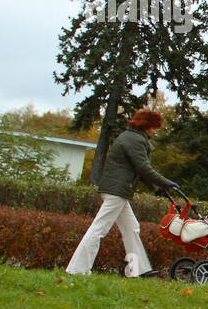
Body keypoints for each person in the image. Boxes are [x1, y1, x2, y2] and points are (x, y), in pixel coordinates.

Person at [66, 108, 178, 278]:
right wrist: (167, 183)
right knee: (99, 229)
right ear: (146, 125)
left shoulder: (131, 137)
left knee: (131, 227)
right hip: (117, 191)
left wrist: (157, 189)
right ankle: (78, 269)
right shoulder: (134, 140)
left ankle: (137, 270)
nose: (155, 131)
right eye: (154, 127)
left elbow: (138, 170)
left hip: (117, 189)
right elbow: (143, 168)